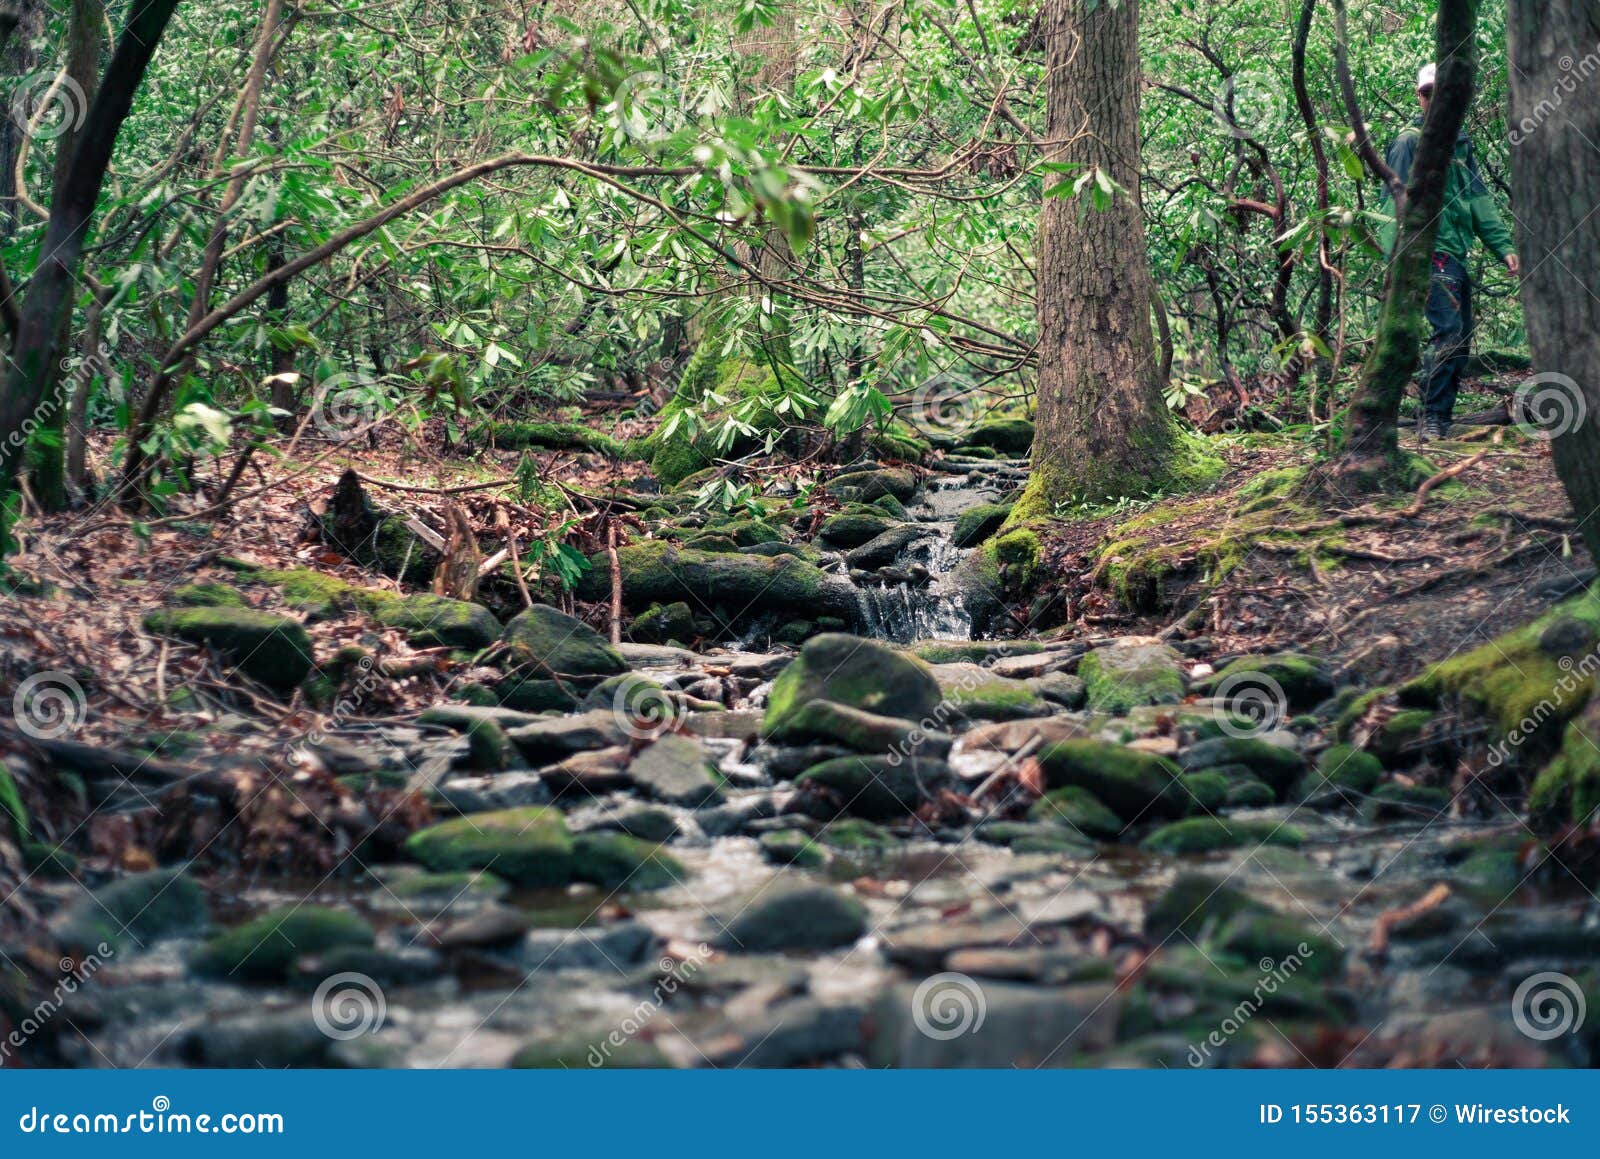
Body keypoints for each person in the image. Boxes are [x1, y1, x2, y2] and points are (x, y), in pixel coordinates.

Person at [1381, 62, 1519, 441]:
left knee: (1461, 337)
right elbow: (1391, 203)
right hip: (1427, 253)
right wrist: (1396, 260)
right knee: (1449, 333)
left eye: (1439, 94)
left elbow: (1478, 201)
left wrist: (1503, 246)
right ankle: (1431, 420)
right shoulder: (1408, 143)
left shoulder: (1460, 145)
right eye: (1427, 94)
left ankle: (1438, 415)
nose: (1432, 100)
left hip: (1455, 253)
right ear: (1419, 96)